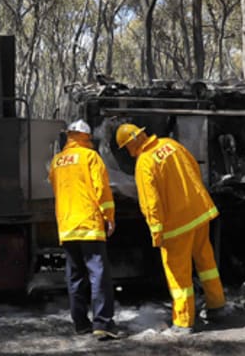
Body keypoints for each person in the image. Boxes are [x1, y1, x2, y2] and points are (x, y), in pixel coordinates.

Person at [116, 123, 226, 334]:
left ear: (132, 143)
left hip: (177, 225)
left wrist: (156, 232)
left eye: (126, 148)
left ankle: (184, 322)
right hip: (199, 212)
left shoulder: (144, 163)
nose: (128, 153)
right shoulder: (171, 145)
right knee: (206, 261)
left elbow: (151, 203)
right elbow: (194, 168)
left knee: (178, 274)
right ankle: (217, 305)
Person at [48, 119, 119, 340]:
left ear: (69, 136)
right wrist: (109, 217)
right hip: (89, 224)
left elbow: (55, 186)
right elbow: (102, 190)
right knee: (98, 275)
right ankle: (103, 324)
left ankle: (80, 324)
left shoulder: (57, 161)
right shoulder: (90, 157)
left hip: (67, 226)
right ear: (86, 137)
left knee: (75, 277)